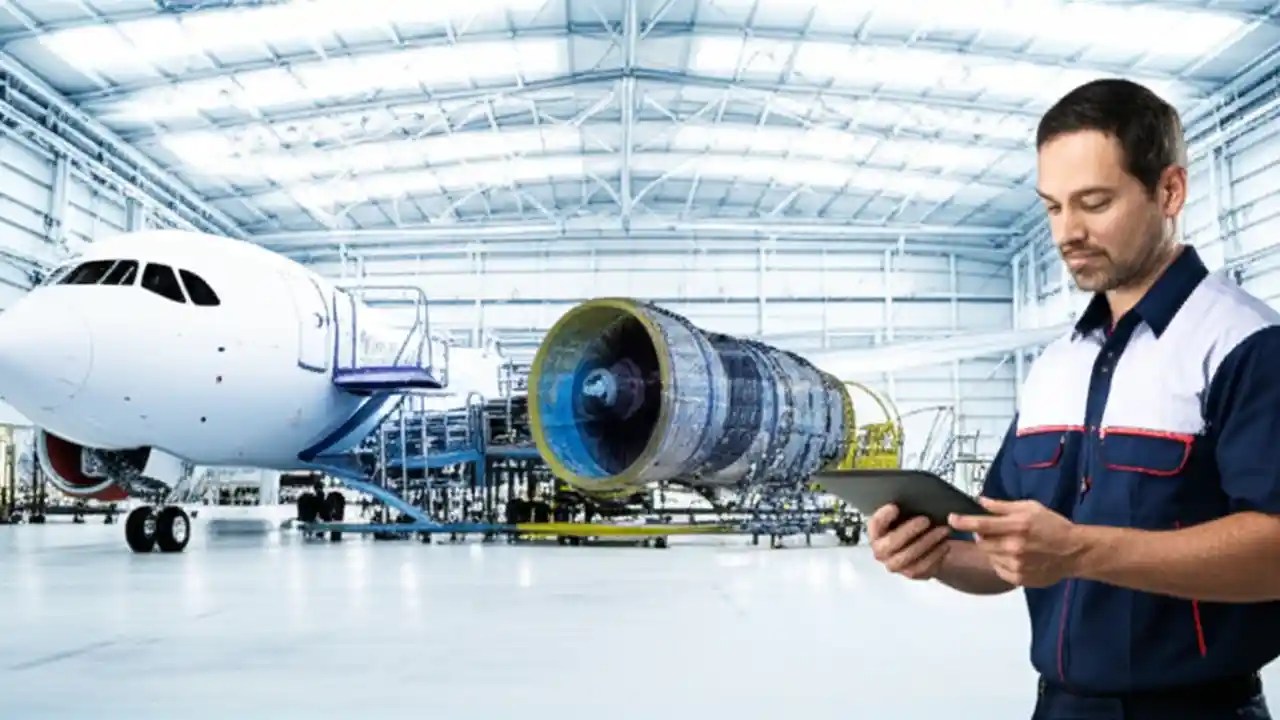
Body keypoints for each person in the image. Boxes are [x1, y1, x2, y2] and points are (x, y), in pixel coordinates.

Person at [867, 77, 1280, 720]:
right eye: (1053, 206)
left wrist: (1081, 548)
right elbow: (1005, 557)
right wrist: (937, 555)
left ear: (1169, 191)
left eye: (1094, 202)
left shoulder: (1243, 345)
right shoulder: (1054, 368)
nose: (1068, 232)